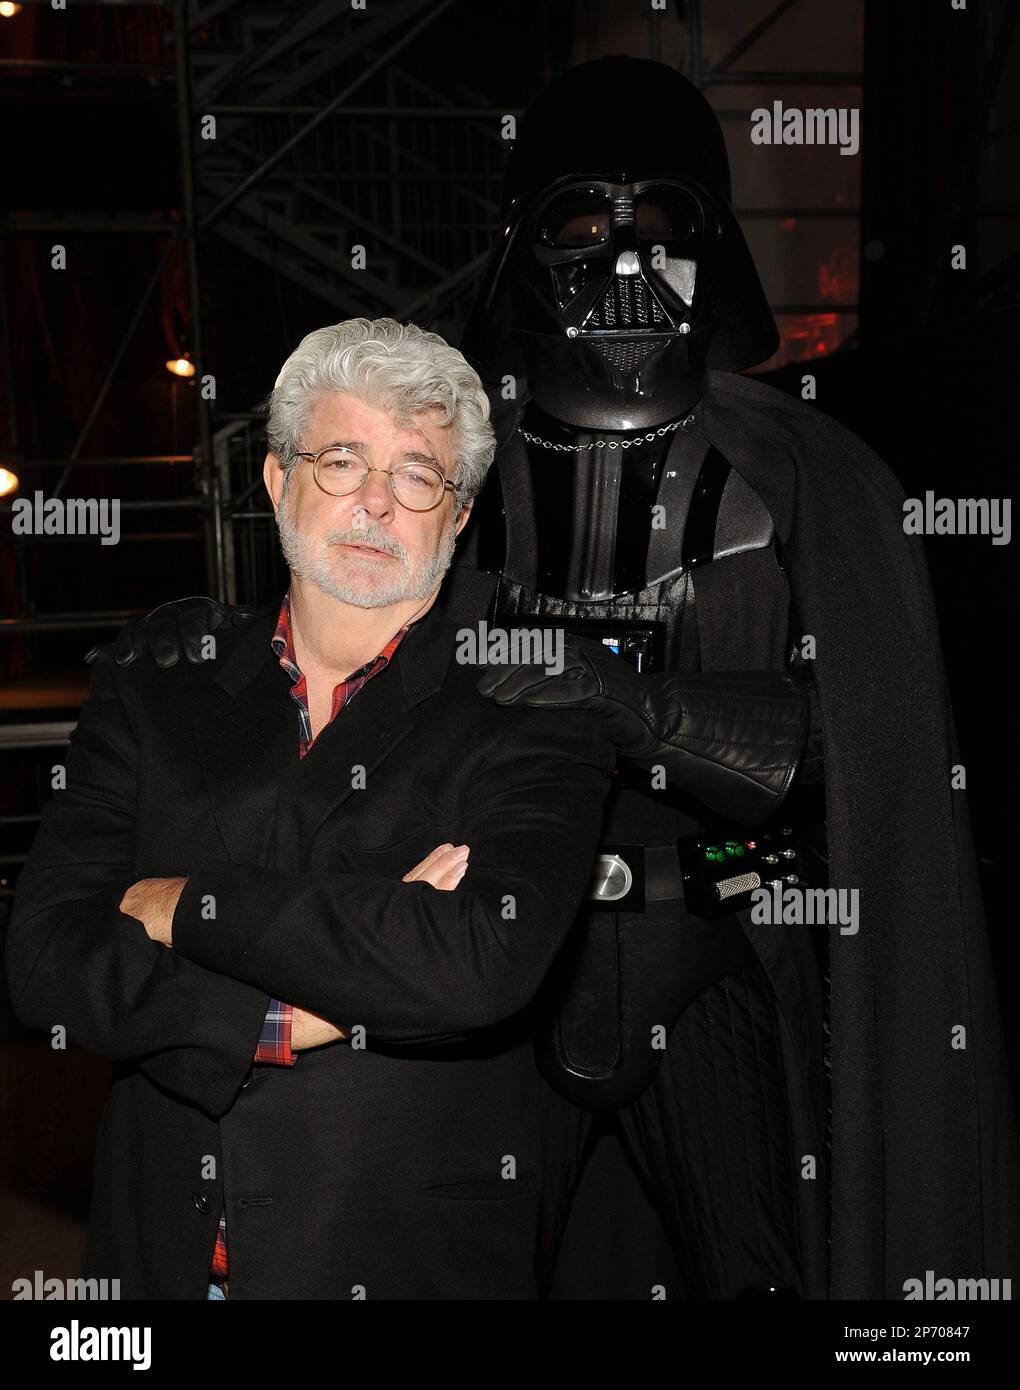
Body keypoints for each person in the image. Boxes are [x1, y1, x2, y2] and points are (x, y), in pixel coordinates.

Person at [95, 59, 1020, 1300]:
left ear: (717, 243)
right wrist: (204, 645)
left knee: (761, 1271)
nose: (626, 262)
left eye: (664, 224)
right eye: (585, 222)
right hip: (497, 951)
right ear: (528, 239)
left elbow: (843, 745)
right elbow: (342, 627)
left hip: (712, 950)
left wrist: (619, 699)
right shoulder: (457, 472)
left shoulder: (803, 477)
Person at [5, 318, 618, 1300]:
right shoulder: (153, 685)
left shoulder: (529, 707)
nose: (376, 501)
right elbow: (42, 954)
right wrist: (291, 1009)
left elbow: (477, 961)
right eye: (342, 459)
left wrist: (182, 902)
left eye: (418, 473)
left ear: (458, 517)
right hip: (161, 1256)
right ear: (278, 479)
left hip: (405, 1258)